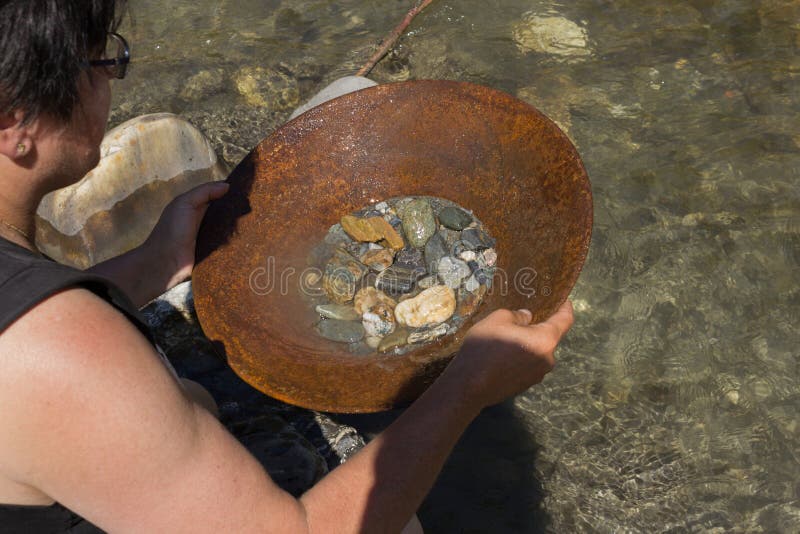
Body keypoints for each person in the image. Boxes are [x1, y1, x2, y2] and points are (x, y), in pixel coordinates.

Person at [0, 1, 574, 532]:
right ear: (16, 123)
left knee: (349, 93)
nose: (109, 80)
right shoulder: (58, 351)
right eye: (101, 63)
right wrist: (465, 389)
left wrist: (153, 263)